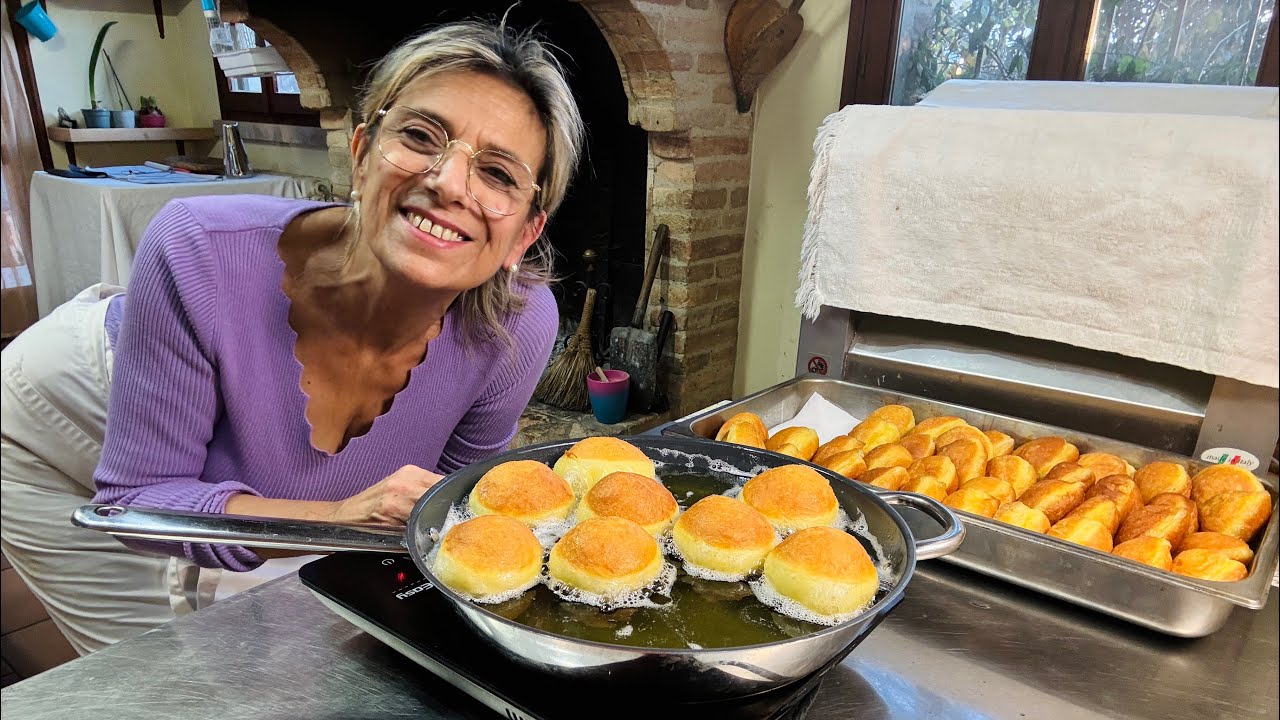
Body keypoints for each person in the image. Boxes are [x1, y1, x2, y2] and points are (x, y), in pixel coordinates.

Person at [0, 19, 585, 655]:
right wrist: (336, 517)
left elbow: (443, 510)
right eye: (420, 136)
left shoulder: (517, 328)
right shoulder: (198, 248)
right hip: (61, 422)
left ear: (525, 234)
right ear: (361, 154)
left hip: (218, 469)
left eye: (497, 174)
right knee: (164, 667)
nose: (448, 182)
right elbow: (141, 500)